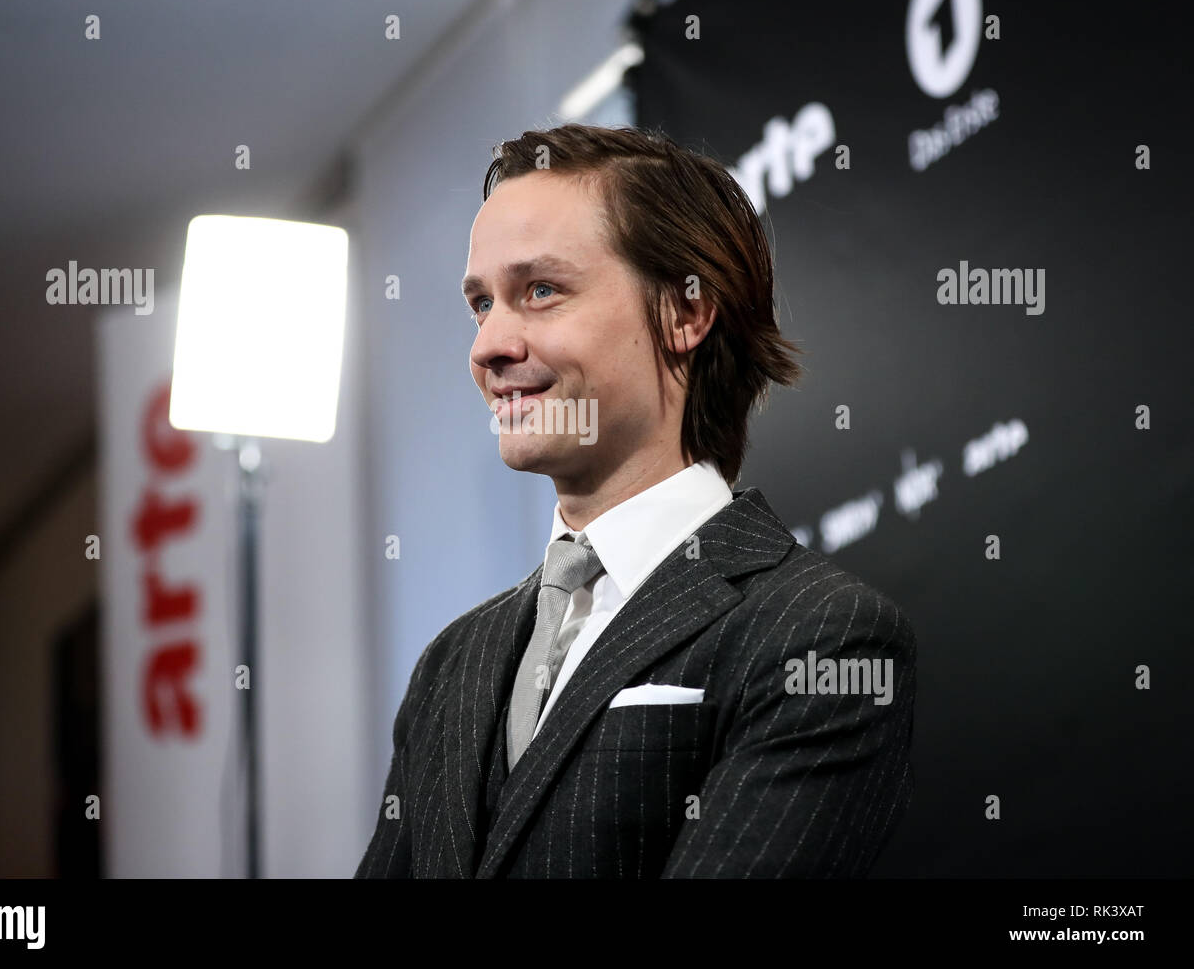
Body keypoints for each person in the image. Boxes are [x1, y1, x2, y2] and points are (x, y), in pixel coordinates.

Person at [355, 124, 915, 878]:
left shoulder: (822, 636)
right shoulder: (450, 665)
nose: (488, 345)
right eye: (481, 304)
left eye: (540, 291)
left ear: (686, 311)